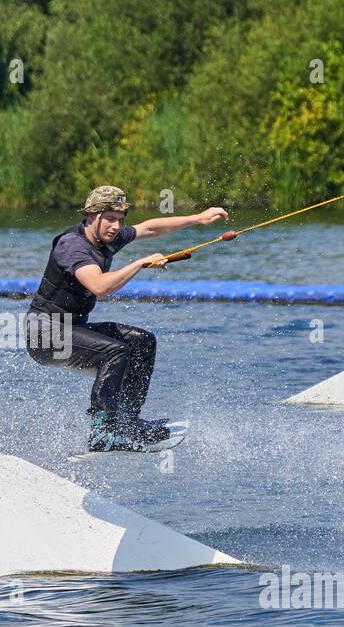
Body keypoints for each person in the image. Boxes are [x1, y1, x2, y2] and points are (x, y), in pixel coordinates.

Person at [25, 185, 229, 452]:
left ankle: (126, 423)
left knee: (143, 342)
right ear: (91, 215)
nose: (115, 226)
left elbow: (150, 228)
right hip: (46, 336)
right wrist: (139, 264)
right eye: (110, 218)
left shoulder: (108, 238)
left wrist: (197, 219)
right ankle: (102, 432)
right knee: (115, 352)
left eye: (120, 220)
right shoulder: (72, 246)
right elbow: (99, 286)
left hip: (72, 329)